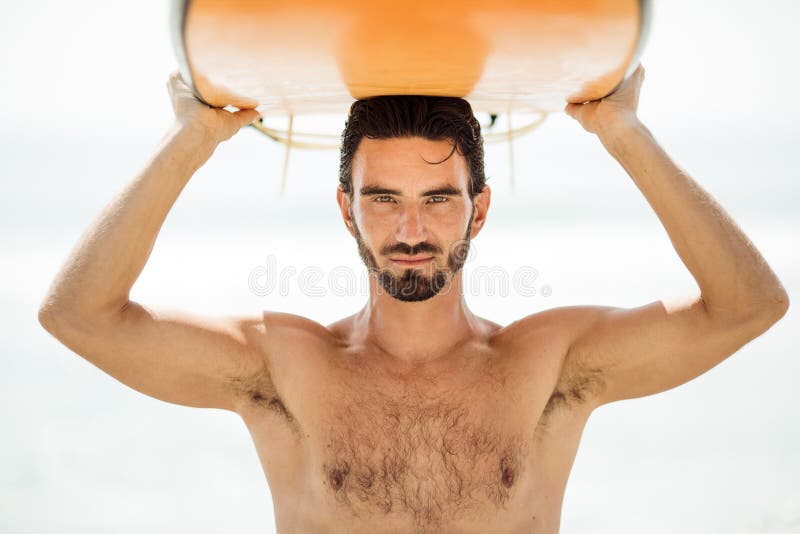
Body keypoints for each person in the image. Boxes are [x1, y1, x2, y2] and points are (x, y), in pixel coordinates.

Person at [38, 64, 788, 533]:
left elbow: (748, 304)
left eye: (438, 199)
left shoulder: (546, 367)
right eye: (383, 198)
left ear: (479, 209)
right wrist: (195, 137)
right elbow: (78, 316)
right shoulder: (286, 370)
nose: (410, 230)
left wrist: (622, 131)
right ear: (346, 209)